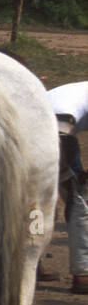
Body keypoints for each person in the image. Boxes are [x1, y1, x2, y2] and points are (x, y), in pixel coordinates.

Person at [47, 81, 88, 294]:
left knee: (40, 200)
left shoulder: (79, 89)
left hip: (29, 120)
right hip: (58, 125)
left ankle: (33, 263)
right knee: (79, 199)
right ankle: (82, 273)